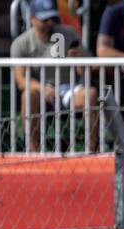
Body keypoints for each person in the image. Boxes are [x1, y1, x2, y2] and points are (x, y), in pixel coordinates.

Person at [11, 0, 99, 153]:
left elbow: (85, 71)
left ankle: (92, 150)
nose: (50, 23)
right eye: (44, 19)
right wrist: (43, 88)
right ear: (32, 18)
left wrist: (81, 60)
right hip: (41, 92)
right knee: (28, 95)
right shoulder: (21, 43)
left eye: (52, 18)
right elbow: (20, 80)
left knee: (90, 94)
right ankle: (33, 151)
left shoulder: (69, 33)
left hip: (69, 89)